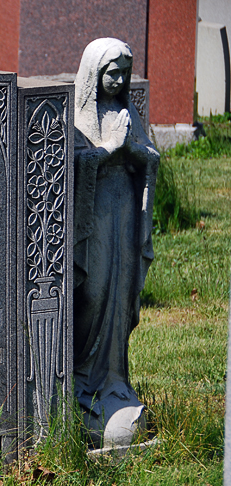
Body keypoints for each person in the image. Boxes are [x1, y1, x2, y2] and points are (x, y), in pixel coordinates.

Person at [72, 38, 159, 440]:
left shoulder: (127, 111)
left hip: (125, 211)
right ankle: (81, 380)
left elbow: (149, 155)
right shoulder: (78, 115)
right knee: (94, 292)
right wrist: (109, 149)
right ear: (93, 74)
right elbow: (74, 162)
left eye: (124, 73)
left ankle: (114, 380)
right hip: (94, 219)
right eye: (111, 72)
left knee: (122, 294)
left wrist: (134, 153)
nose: (119, 79)